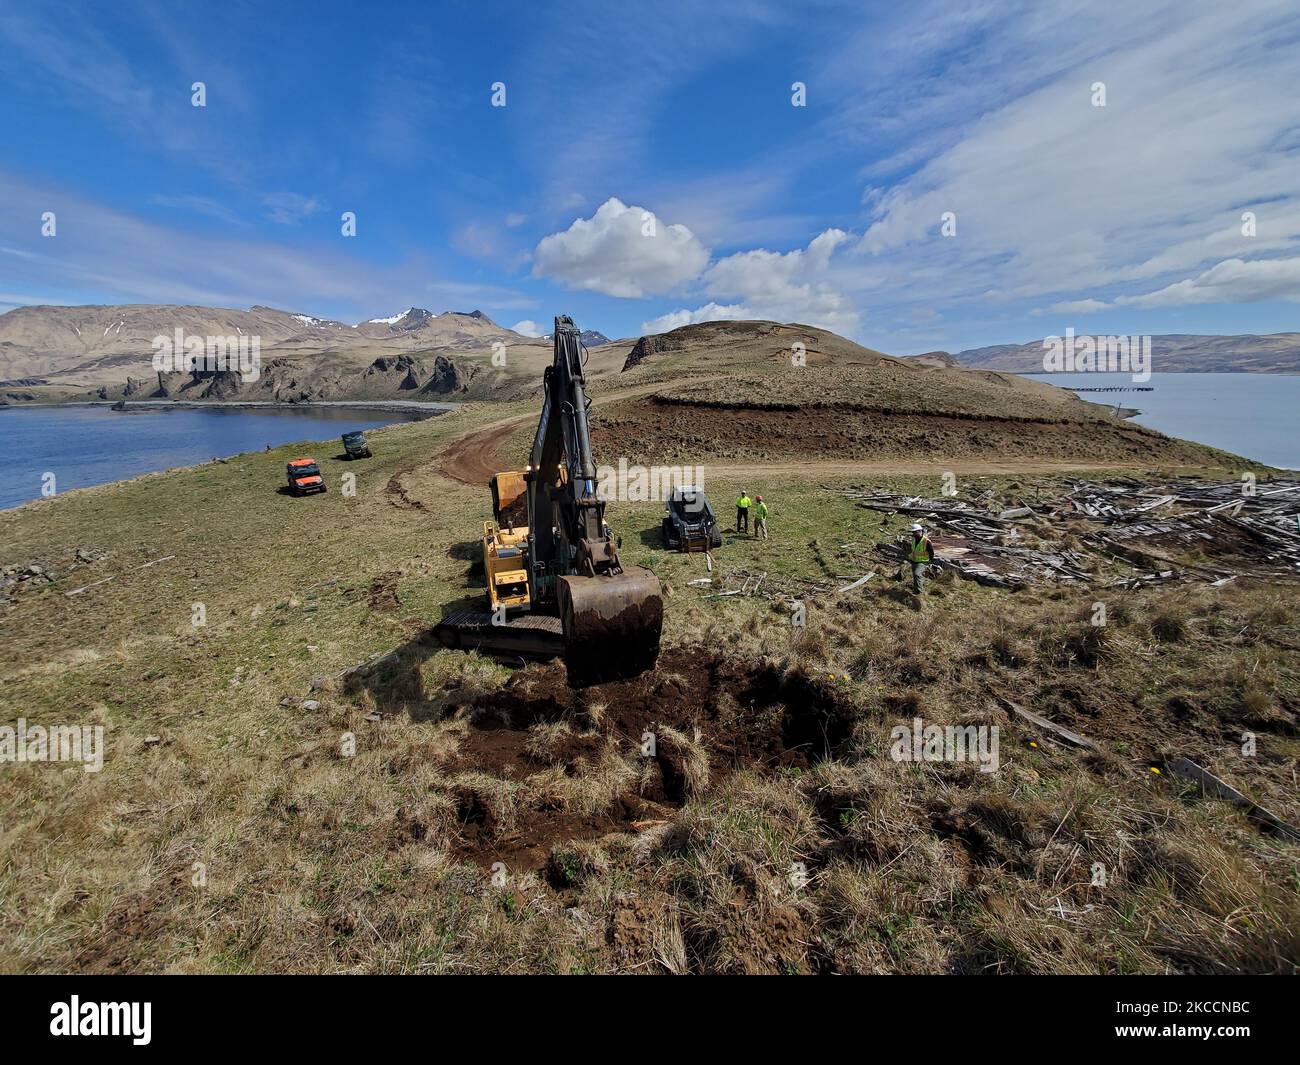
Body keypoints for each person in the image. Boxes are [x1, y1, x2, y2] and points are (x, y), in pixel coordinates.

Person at [907, 522, 934, 594]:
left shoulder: (926, 541)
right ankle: (915, 591)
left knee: (917, 574)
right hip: (914, 561)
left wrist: (930, 561)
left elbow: (931, 552)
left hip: (923, 561)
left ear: (919, 531)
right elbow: (913, 550)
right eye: (913, 532)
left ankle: (920, 592)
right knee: (915, 577)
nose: (913, 534)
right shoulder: (914, 539)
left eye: (915, 532)